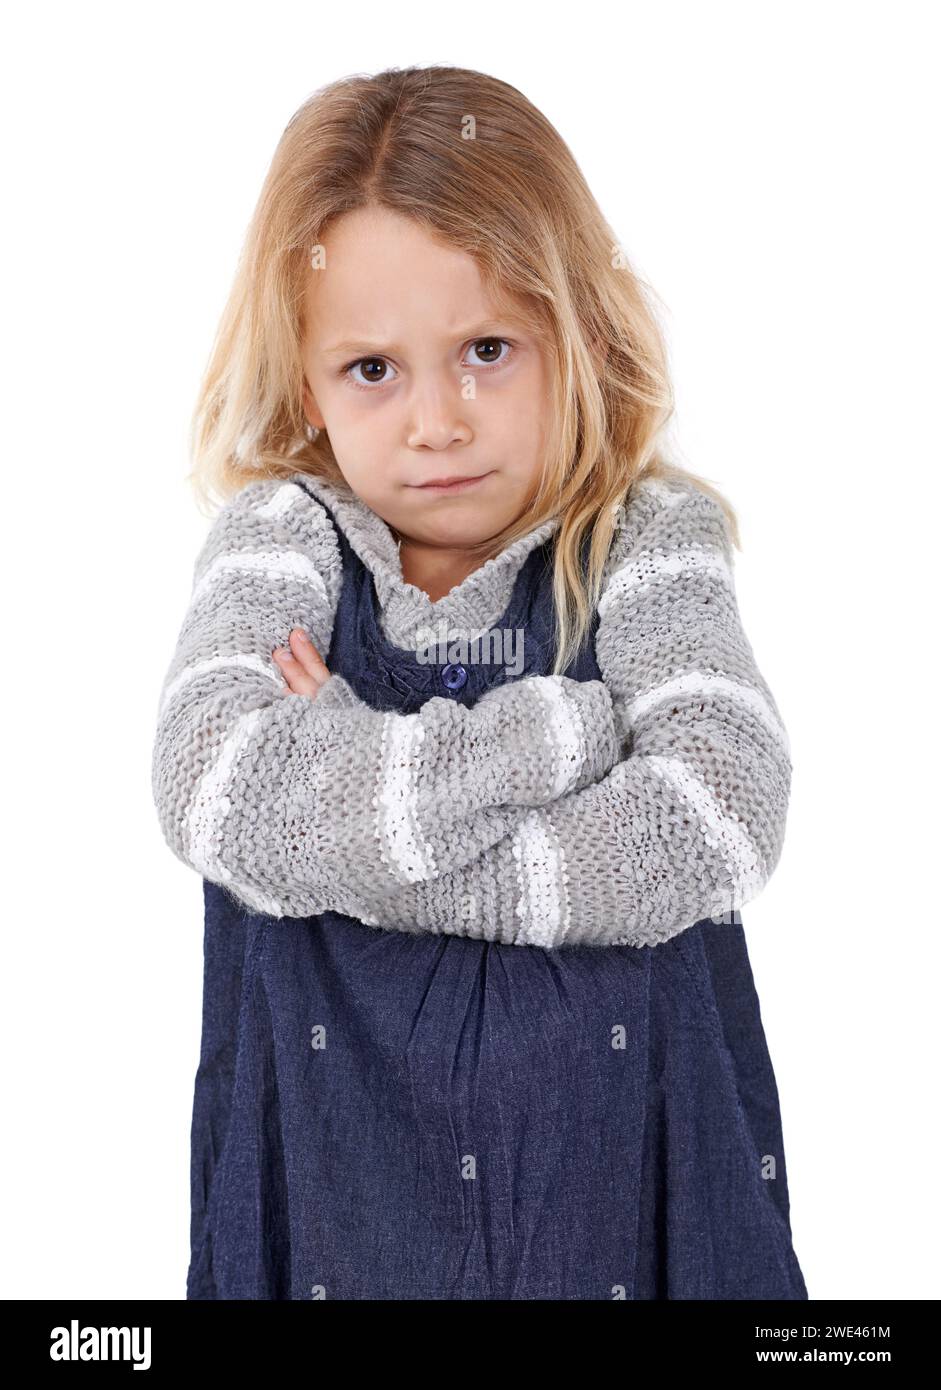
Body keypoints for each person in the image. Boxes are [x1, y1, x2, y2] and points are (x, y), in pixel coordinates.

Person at [151, 63, 808, 1300]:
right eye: (372, 370)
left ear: (580, 336)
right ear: (306, 379)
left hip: (625, 1205)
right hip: (332, 1215)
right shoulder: (275, 543)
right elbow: (213, 790)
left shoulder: (646, 542)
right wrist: (551, 739)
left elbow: (717, 810)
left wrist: (351, 811)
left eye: (486, 349)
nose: (435, 420)